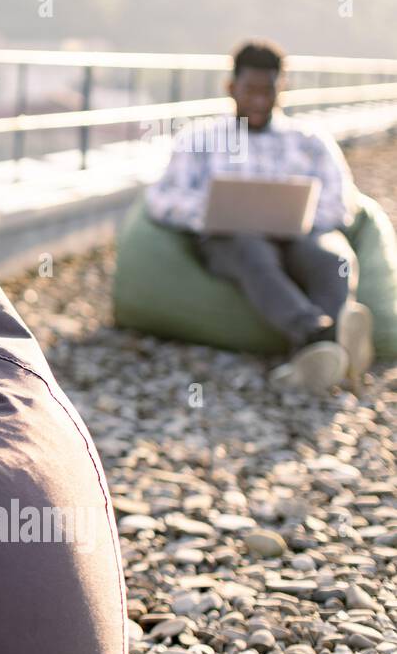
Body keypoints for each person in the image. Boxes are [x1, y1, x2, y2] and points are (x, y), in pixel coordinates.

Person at [145, 38, 374, 393]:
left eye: (268, 92)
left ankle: (320, 356)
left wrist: (299, 219)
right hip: (232, 240)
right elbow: (162, 199)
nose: (258, 101)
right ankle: (322, 334)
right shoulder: (200, 138)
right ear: (231, 87)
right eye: (249, 91)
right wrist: (212, 213)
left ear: (281, 89)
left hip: (301, 236)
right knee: (253, 253)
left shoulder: (310, 140)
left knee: (332, 257)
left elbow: (342, 201)